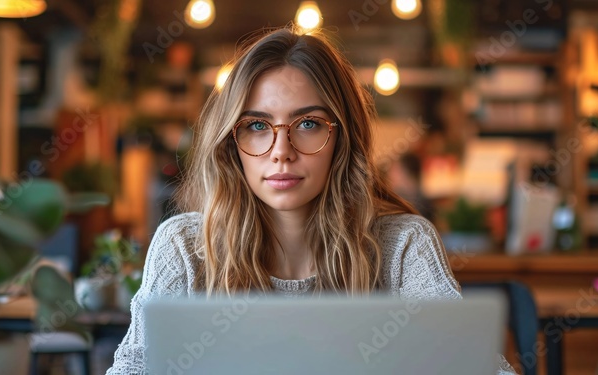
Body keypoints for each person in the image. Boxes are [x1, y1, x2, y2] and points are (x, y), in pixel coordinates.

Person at [107, 27, 517, 375]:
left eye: (307, 123)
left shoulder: (403, 246)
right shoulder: (184, 247)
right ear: (231, 141)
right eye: (256, 125)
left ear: (343, 138)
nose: (280, 150)